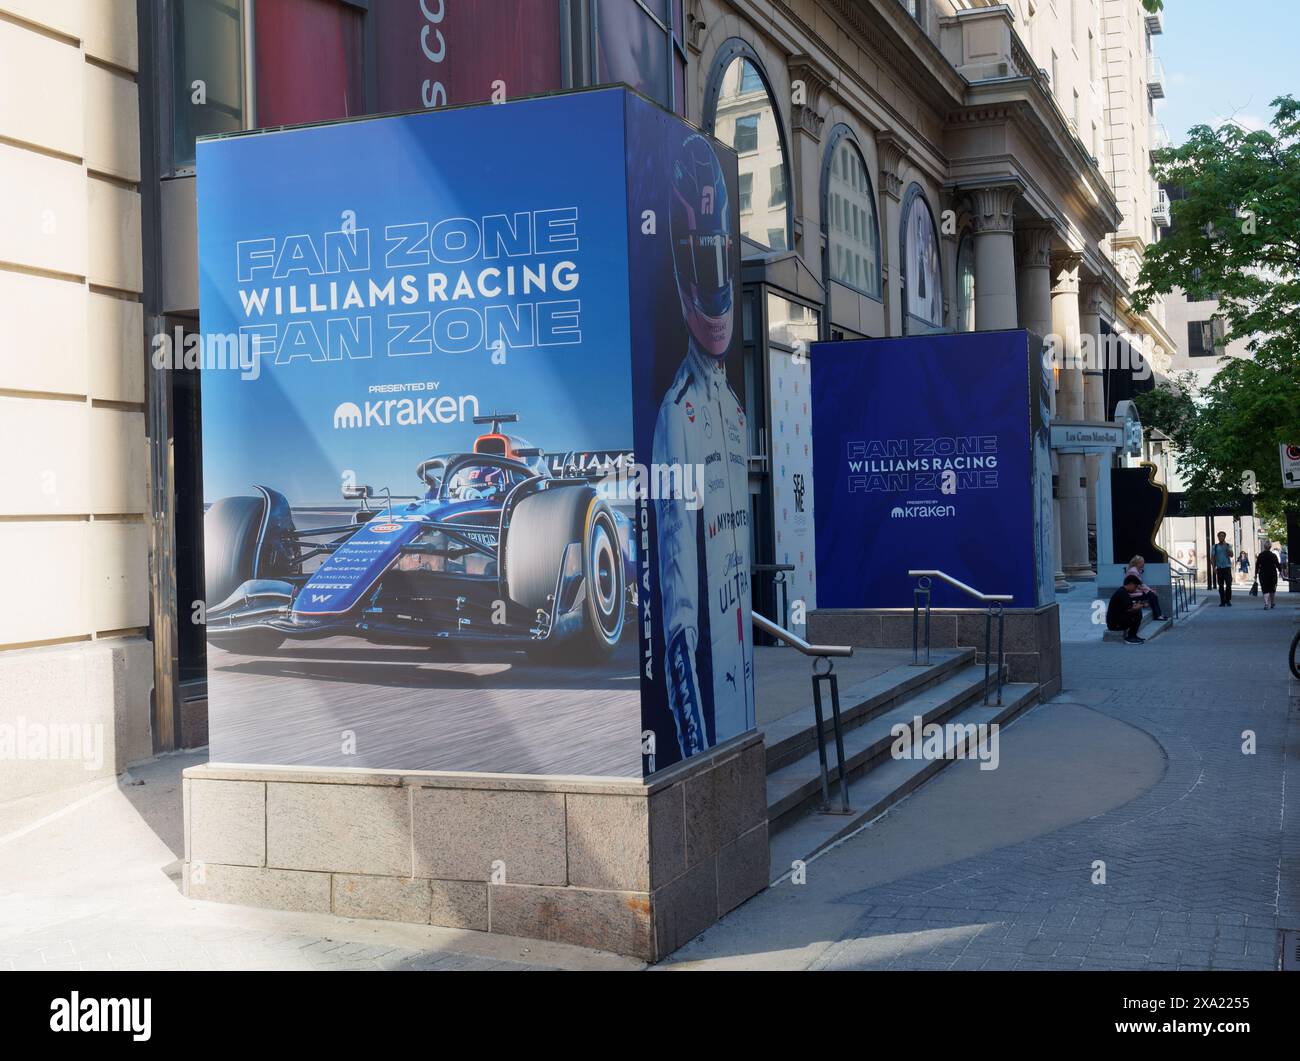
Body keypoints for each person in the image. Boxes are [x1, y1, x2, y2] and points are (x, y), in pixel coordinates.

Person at [653, 132, 753, 759]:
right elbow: (677, 600)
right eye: (700, 265)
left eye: (721, 264)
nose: (714, 294)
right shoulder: (678, 412)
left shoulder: (735, 408)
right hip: (712, 668)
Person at [1107, 575, 1148, 644]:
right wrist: (1142, 605)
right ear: (1131, 584)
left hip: (1116, 621)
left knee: (1137, 612)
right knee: (1137, 613)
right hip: (1115, 624)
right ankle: (1131, 637)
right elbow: (1130, 609)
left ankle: (1133, 635)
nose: (1135, 589)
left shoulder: (1123, 592)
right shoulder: (1122, 593)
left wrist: (1138, 605)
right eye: (1135, 587)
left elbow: (1127, 607)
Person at [1123, 555, 1165, 620]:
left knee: (1152, 595)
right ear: (1138, 563)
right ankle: (1157, 615)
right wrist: (1150, 590)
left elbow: (1140, 584)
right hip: (1133, 593)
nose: (1143, 564)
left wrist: (1150, 590)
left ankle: (1158, 614)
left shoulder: (1136, 570)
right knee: (1152, 595)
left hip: (1137, 591)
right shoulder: (1133, 571)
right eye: (1142, 562)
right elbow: (1139, 585)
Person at [1255, 541, 1282, 609]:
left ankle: (1266, 604)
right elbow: (1277, 565)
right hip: (1272, 573)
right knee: (1272, 589)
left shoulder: (1260, 555)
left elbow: (1257, 565)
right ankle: (1272, 603)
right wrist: (1281, 572)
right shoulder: (1273, 555)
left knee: (1265, 588)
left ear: (1264, 547)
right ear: (1270, 547)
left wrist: (1255, 574)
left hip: (1263, 574)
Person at [1212, 531, 1235, 606]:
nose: (1221, 537)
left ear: (1225, 537)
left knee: (1229, 584)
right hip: (1219, 568)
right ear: (1218, 537)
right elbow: (1212, 557)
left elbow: (1231, 555)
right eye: (1220, 536)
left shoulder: (1228, 545)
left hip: (1227, 567)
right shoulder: (1215, 546)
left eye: (1223, 536)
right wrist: (1213, 567)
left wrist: (1227, 548)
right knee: (1221, 585)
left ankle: (1228, 600)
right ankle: (1222, 601)